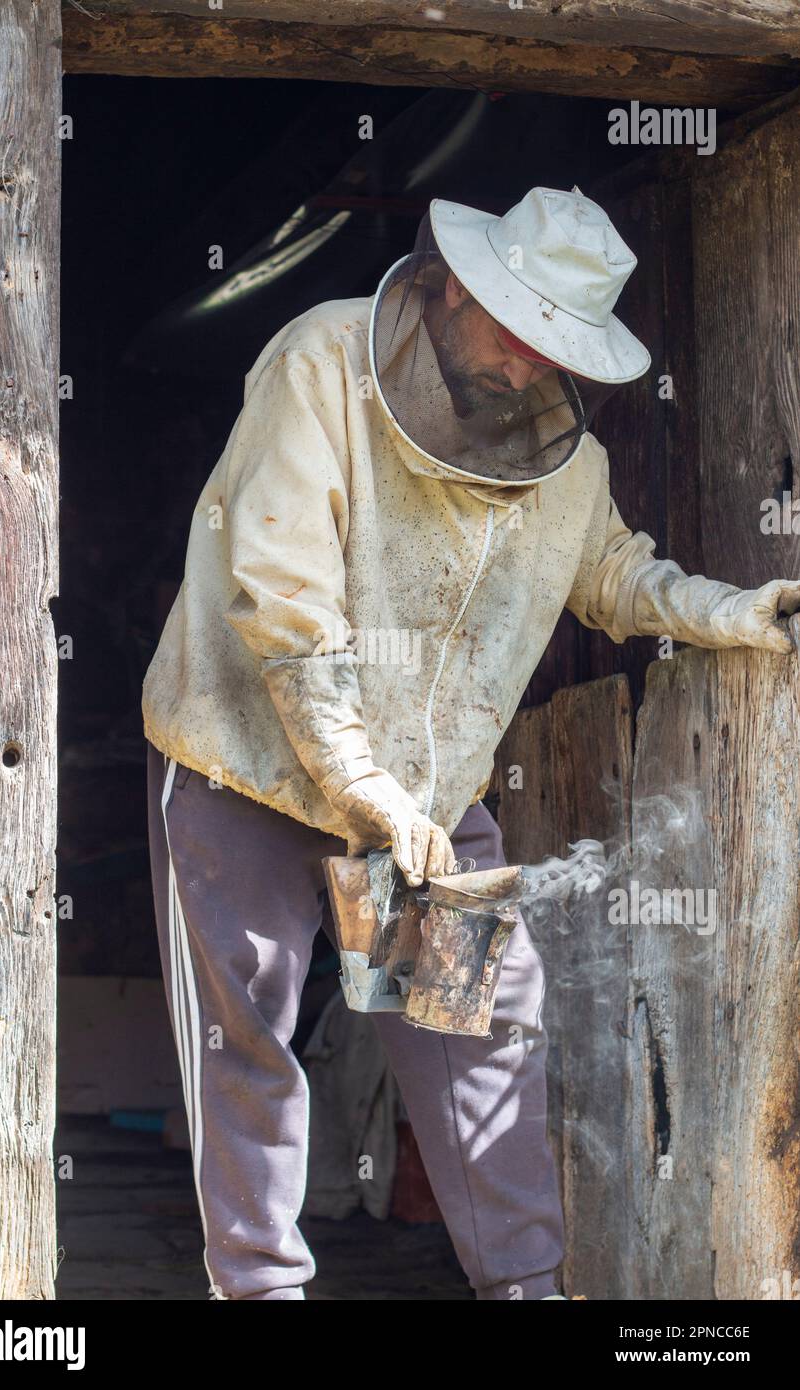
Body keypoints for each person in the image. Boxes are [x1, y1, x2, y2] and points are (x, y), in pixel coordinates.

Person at [142, 186, 800, 1301]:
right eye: (513, 328)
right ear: (452, 283)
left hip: (422, 806)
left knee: (481, 1028)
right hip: (243, 761)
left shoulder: (563, 464)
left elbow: (608, 574)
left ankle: (525, 1290)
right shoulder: (320, 364)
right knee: (244, 1038)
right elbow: (286, 605)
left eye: (553, 349)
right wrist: (362, 788)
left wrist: (721, 610)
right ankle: (257, 1290)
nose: (524, 364)